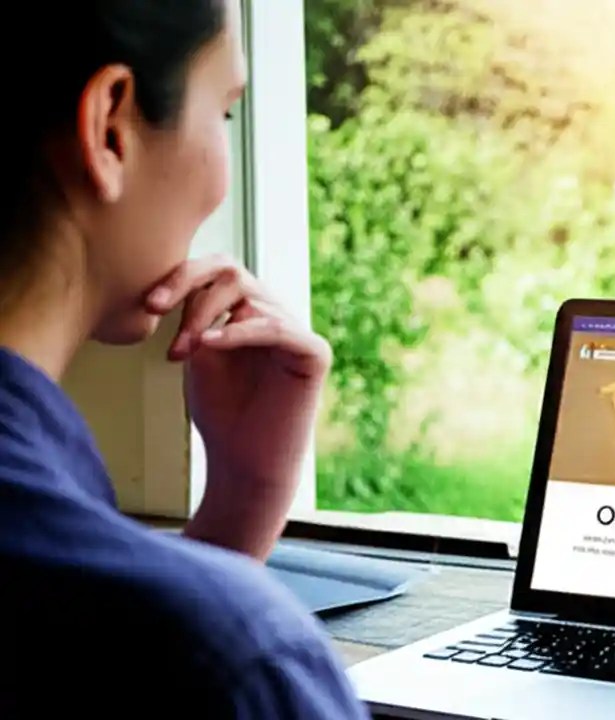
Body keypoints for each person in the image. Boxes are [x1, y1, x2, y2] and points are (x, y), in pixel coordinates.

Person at [0, 2, 369, 717]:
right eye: (226, 113)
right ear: (109, 127)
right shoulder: (241, 661)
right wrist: (230, 622)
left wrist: (241, 500)